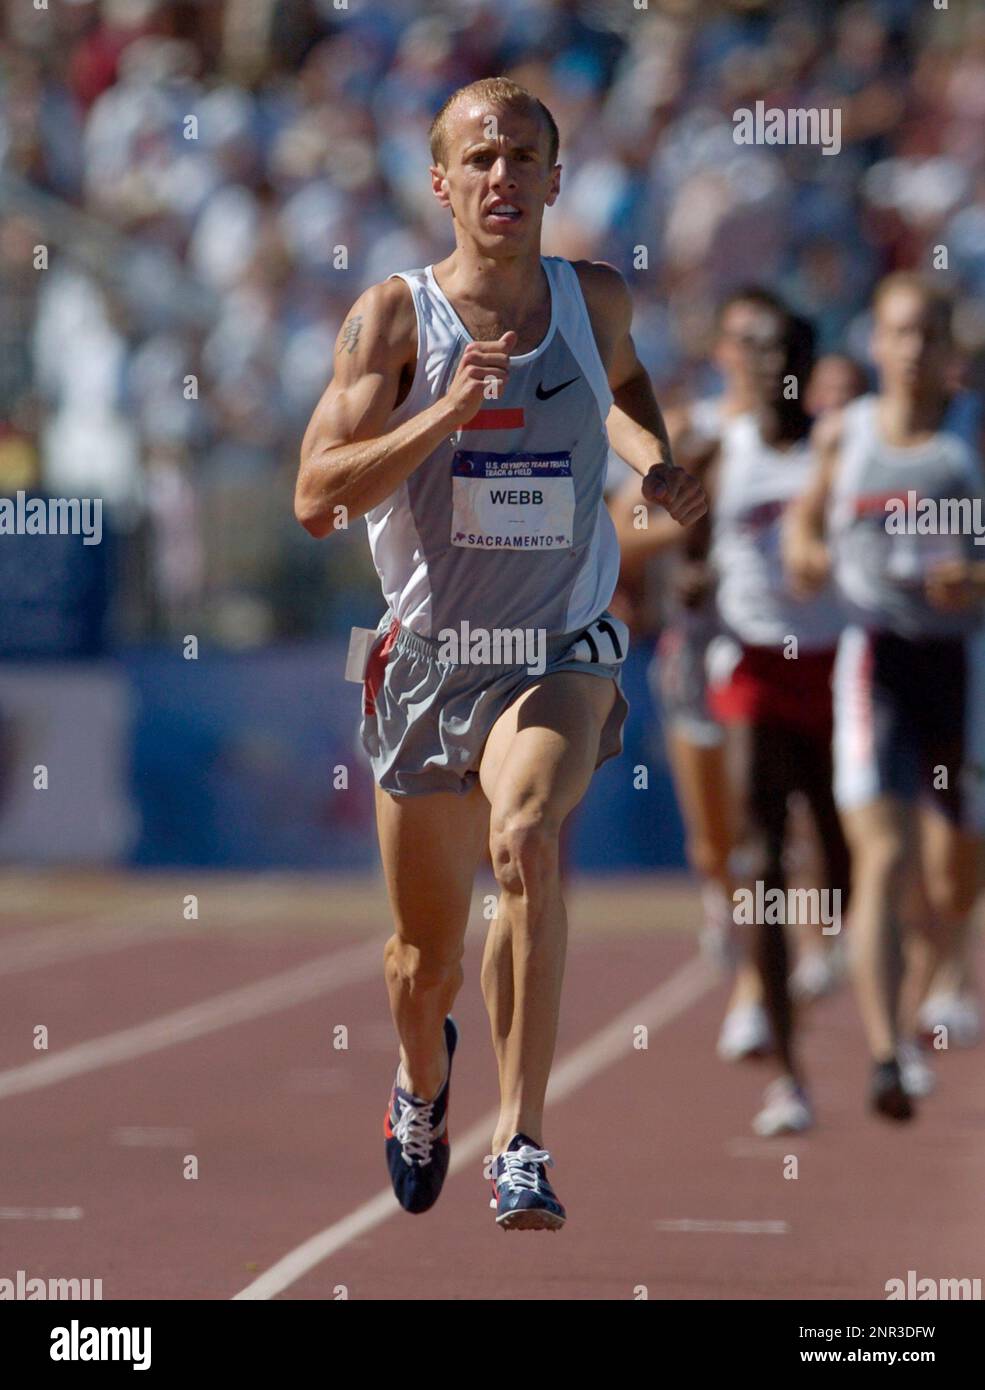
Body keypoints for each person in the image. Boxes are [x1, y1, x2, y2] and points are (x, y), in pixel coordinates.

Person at [294, 77, 705, 1229]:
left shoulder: (595, 299)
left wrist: (649, 459)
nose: (501, 177)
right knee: (419, 968)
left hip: (556, 649)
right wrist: (439, 417)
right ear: (439, 183)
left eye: (523, 157)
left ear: (555, 179)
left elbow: (620, 389)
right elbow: (313, 498)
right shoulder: (391, 320)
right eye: (477, 159)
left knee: (523, 838)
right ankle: (423, 1081)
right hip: (425, 662)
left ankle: (521, 1141)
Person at [785, 271, 985, 1120]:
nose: (910, 350)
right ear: (875, 344)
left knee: (947, 878)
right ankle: (886, 1052)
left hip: (960, 661)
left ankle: (941, 979)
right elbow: (803, 523)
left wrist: (974, 575)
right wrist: (807, 555)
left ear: (948, 354)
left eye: (926, 336)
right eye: (896, 334)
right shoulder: (845, 434)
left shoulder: (970, 438)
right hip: (875, 660)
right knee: (883, 854)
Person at [704, 299, 851, 1136]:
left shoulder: (840, 442)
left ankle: (831, 945)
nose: (768, 366)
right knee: (758, 855)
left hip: (838, 669)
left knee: (838, 858)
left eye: (784, 350)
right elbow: (663, 534)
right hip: (754, 669)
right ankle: (788, 1069)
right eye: (753, 350)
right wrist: (688, 579)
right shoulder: (720, 449)